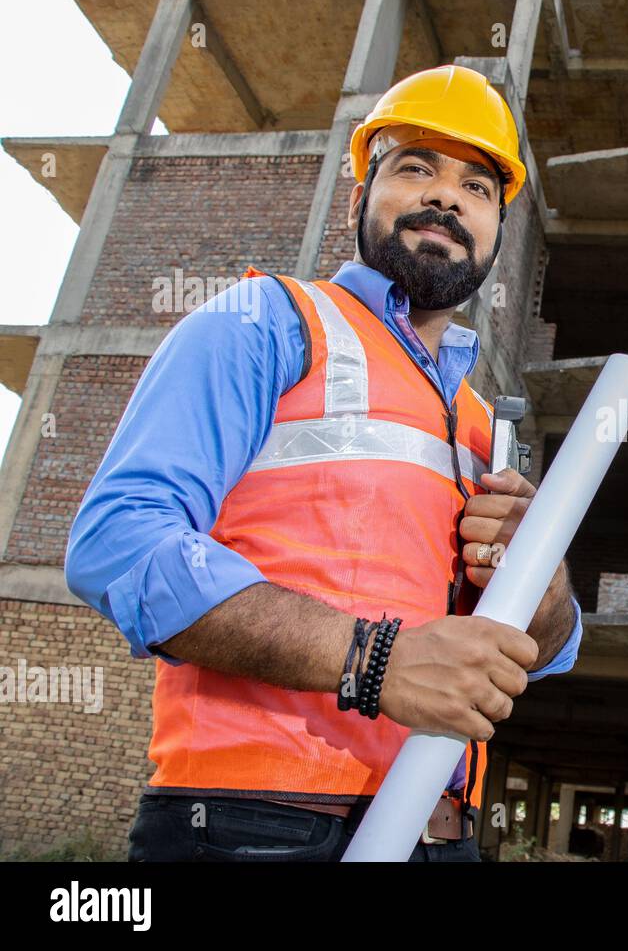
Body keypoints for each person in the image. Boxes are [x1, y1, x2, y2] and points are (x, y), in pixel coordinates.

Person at [65, 65, 582, 862]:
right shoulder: (267, 323)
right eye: (416, 167)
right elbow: (119, 544)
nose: (446, 198)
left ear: (495, 233)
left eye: (477, 186)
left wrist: (544, 588)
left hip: (441, 838)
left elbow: (539, 655)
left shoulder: (486, 426)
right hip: (252, 827)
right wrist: (374, 662)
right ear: (357, 199)